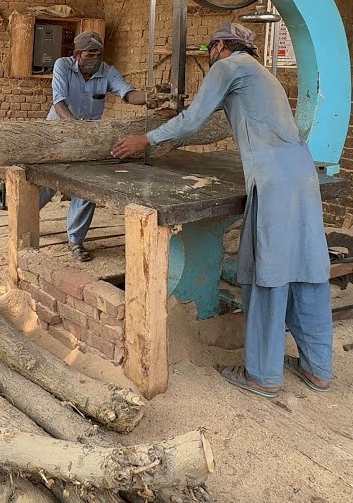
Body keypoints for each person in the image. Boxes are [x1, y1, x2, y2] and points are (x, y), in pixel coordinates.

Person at [113, 22, 333, 398]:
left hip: (273, 182)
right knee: (307, 272)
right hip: (302, 175)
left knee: (270, 272)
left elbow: (196, 120)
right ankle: (318, 369)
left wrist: (144, 139)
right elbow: (208, 112)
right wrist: (175, 115)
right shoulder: (259, 73)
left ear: (218, 46)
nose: (210, 55)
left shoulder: (227, 67)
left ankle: (262, 376)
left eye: (210, 49)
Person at [41, 31, 156, 262]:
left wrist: (153, 97)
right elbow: (59, 100)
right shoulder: (62, 66)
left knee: (87, 187)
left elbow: (128, 94)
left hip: (88, 142)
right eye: (90, 54)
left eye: (98, 54)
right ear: (77, 54)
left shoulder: (107, 71)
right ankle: (21, 217)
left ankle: (75, 241)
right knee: (45, 182)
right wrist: (75, 127)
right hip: (58, 134)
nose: (95, 58)